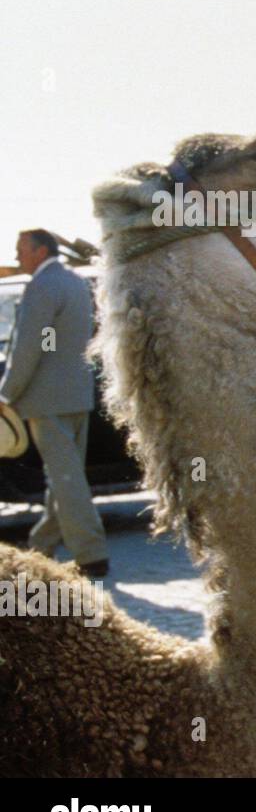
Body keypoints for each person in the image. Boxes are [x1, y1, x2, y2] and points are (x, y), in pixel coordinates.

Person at [0, 230, 107, 577]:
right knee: (65, 476)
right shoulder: (76, 282)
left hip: (46, 399)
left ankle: (92, 556)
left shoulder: (41, 287)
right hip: (77, 393)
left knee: (66, 480)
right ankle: (40, 549)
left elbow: (28, 348)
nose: (17, 257)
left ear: (40, 249)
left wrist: (6, 394)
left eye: (21, 250)